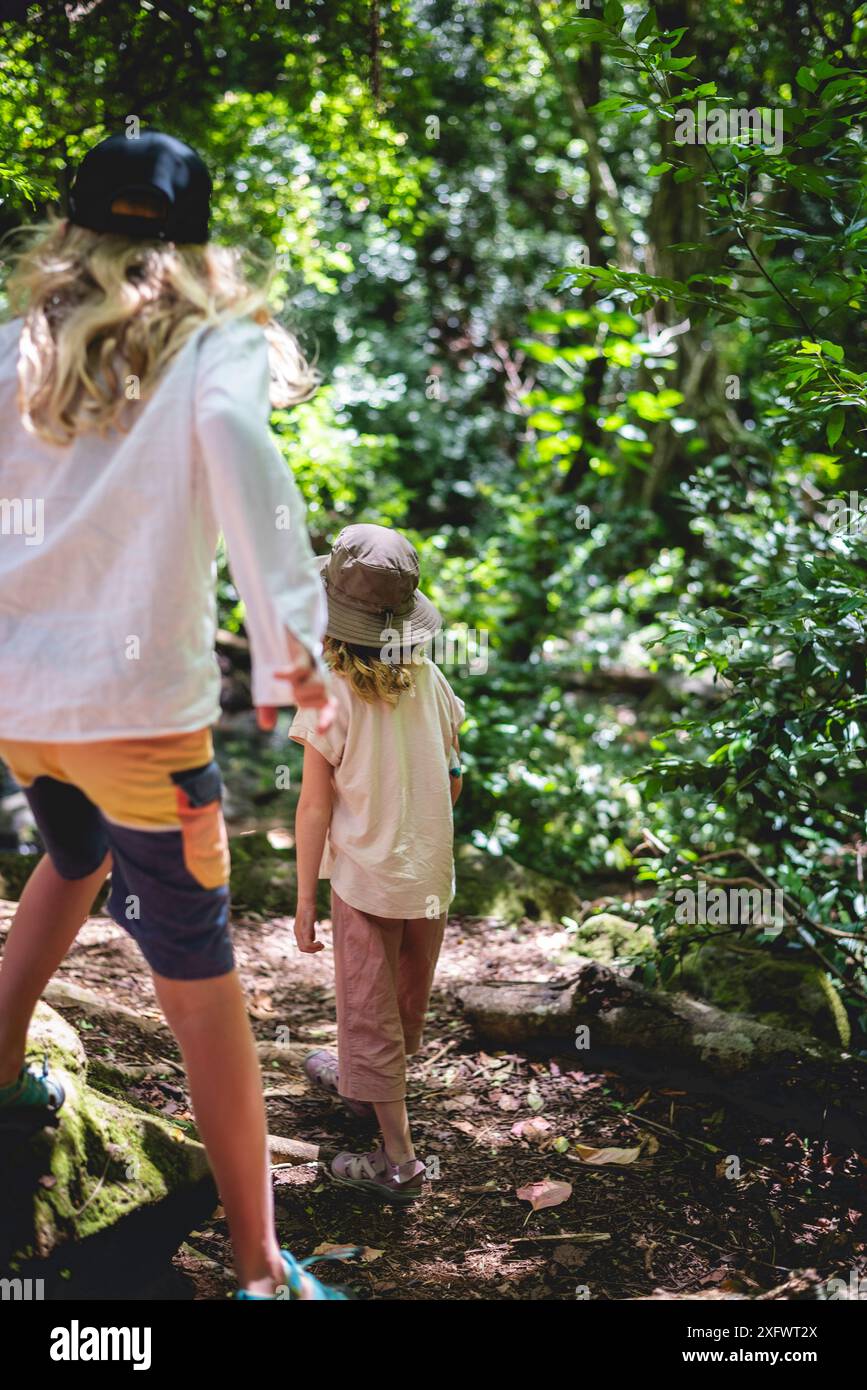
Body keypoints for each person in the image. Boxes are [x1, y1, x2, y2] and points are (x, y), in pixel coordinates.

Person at [0, 130, 348, 1300]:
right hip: (137, 724)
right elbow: (245, 463)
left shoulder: (15, 350)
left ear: (71, 236)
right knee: (202, 990)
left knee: (75, 850)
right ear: (197, 249)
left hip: (19, 705)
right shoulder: (213, 352)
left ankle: (2, 1071)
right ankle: (258, 1269)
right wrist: (293, 664)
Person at [290, 523, 464, 1204]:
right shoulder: (428, 675)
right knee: (401, 998)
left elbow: (312, 809)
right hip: (427, 878)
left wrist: (305, 900)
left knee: (368, 1010)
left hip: (365, 879)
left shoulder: (327, 695)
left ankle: (399, 1161)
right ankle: (365, 1086)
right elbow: (453, 773)